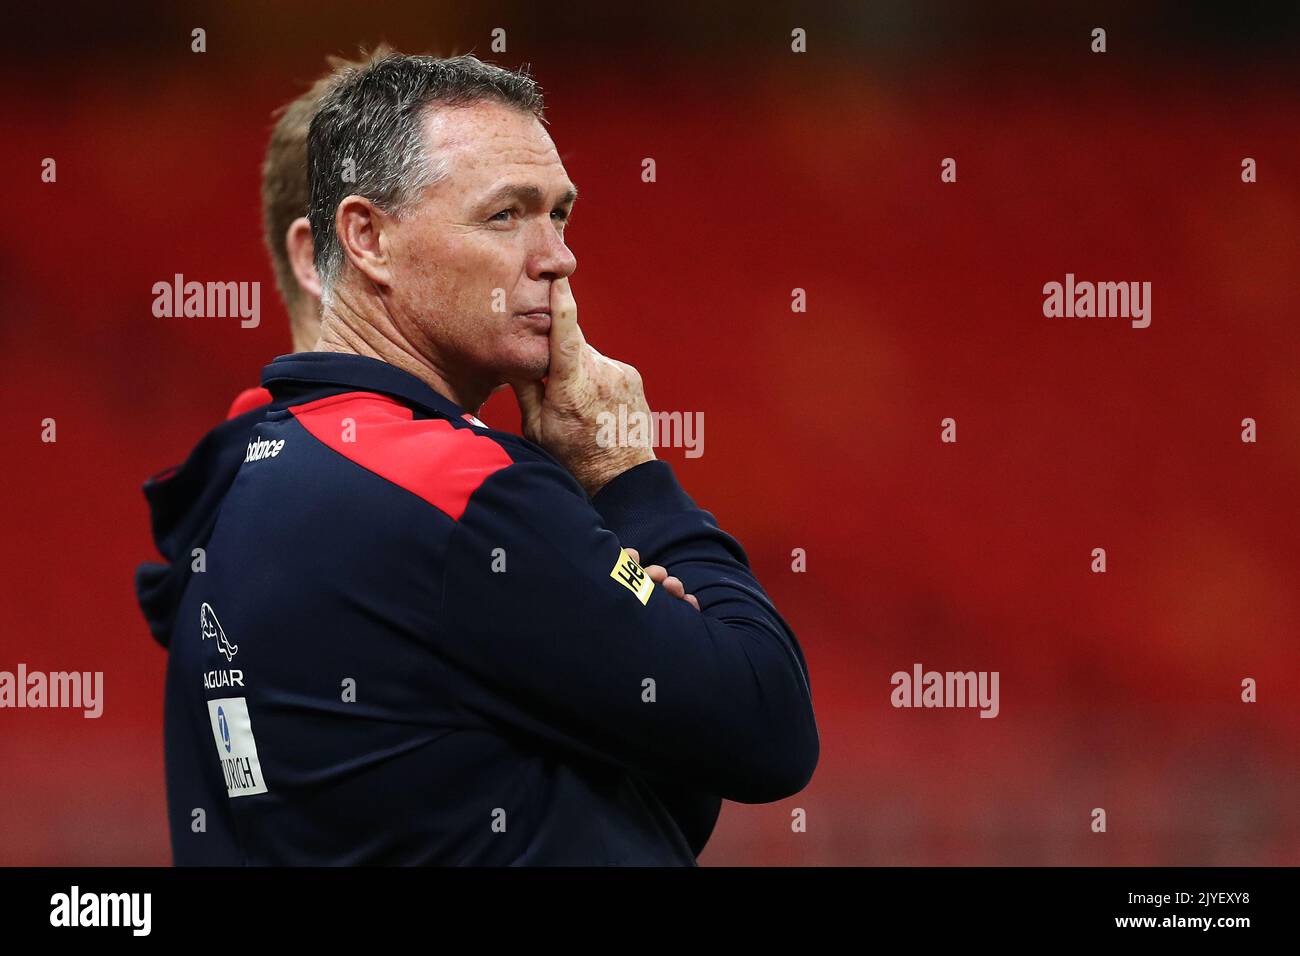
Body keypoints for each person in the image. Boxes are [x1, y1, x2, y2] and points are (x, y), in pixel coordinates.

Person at [148, 52, 818, 865]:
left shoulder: (241, 482)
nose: (556, 257)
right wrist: (627, 478)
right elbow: (767, 725)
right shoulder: (457, 491)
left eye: (560, 215)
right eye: (506, 215)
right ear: (367, 239)